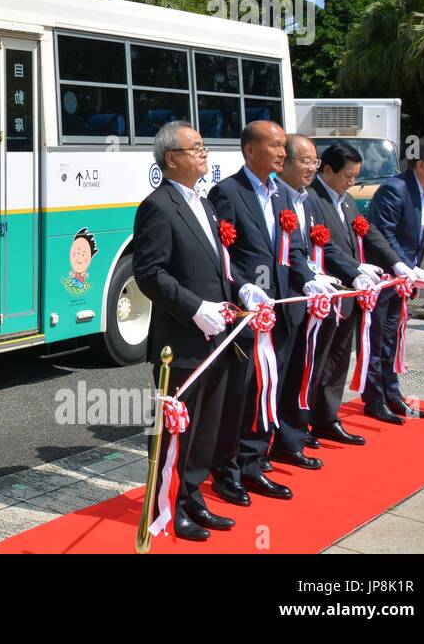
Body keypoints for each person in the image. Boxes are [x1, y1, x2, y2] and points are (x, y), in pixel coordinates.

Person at [208, 120, 326, 506]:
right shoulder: (227, 192)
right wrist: (243, 285)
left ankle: (254, 462)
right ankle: (227, 471)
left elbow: (290, 249)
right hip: (246, 315)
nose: (282, 154)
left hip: (280, 310)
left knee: (267, 390)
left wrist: (307, 278)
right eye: (275, 147)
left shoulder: (281, 196)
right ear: (250, 151)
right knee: (239, 393)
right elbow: (223, 252)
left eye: (283, 147)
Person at [133, 121, 241, 540]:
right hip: (179, 339)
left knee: (205, 425)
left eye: (204, 146)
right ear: (171, 158)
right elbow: (149, 273)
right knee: (175, 425)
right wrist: (195, 309)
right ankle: (166, 505)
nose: (204, 153)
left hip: (216, 335)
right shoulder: (158, 206)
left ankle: (192, 495)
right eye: (195, 147)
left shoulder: (205, 202)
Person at [307, 142, 405, 443]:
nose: (352, 182)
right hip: (326, 294)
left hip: (350, 296)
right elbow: (325, 246)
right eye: (347, 176)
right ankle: (303, 420)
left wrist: (397, 264)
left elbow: (368, 233)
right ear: (327, 170)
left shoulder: (346, 200)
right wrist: (356, 269)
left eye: (355, 176)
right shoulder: (312, 199)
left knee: (338, 360)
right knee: (317, 361)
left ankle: (327, 417)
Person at [363, 136, 424, 422]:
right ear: (421, 164)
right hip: (386, 276)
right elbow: (383, 234)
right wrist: (407, 267)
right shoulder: (394, 190)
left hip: (407, 279)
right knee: (378, 337)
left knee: (394, 337)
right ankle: (374, 398)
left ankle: (391, 392)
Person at [271, 134, 343, 468]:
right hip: (279, 302)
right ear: (283, 161)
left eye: (315, 161)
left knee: (302, 371)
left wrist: (350, 272)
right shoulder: (274, 196)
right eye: (305, 160)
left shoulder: (309, 200)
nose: (312, 168)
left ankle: (292, 439)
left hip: (308, 301)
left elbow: (319, 246)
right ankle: (264, 443)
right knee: (276, 376)